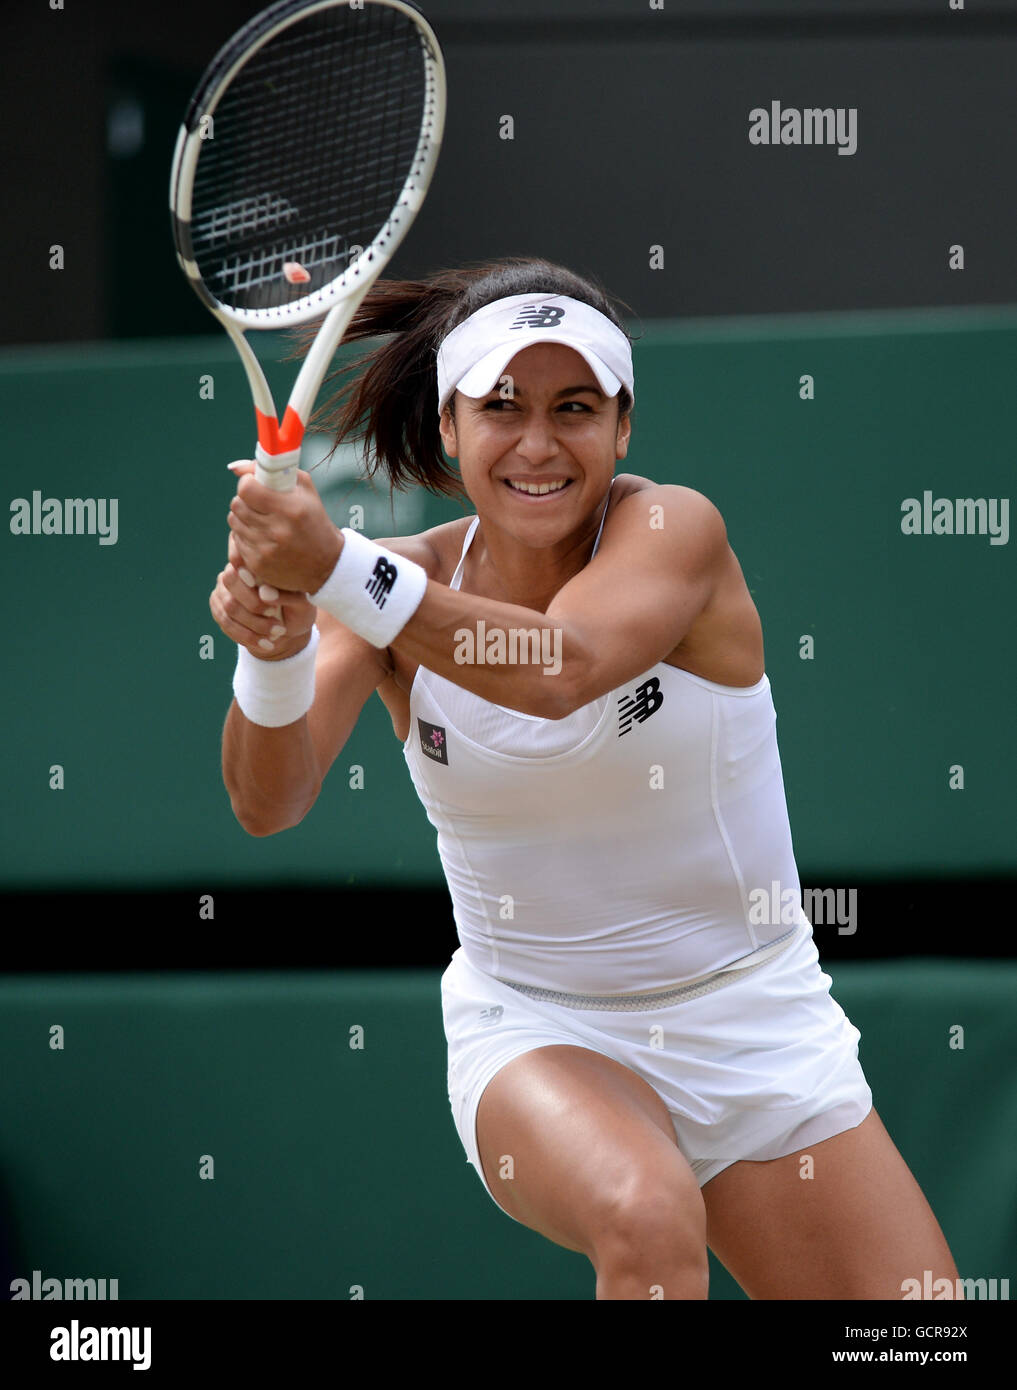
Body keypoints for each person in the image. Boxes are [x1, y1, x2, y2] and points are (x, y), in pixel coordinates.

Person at [209, 257, 960, 1300]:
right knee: (643, 1212)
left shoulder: (674, 531)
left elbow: (556, 669)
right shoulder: (393, 595)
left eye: (575, 408)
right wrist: (278, 646)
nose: (537, 443)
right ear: (447, 432)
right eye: (502, 407)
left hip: (762, 1029)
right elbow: (267, 799)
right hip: (539, 1029)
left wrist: (333, 566)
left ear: (623, 430)